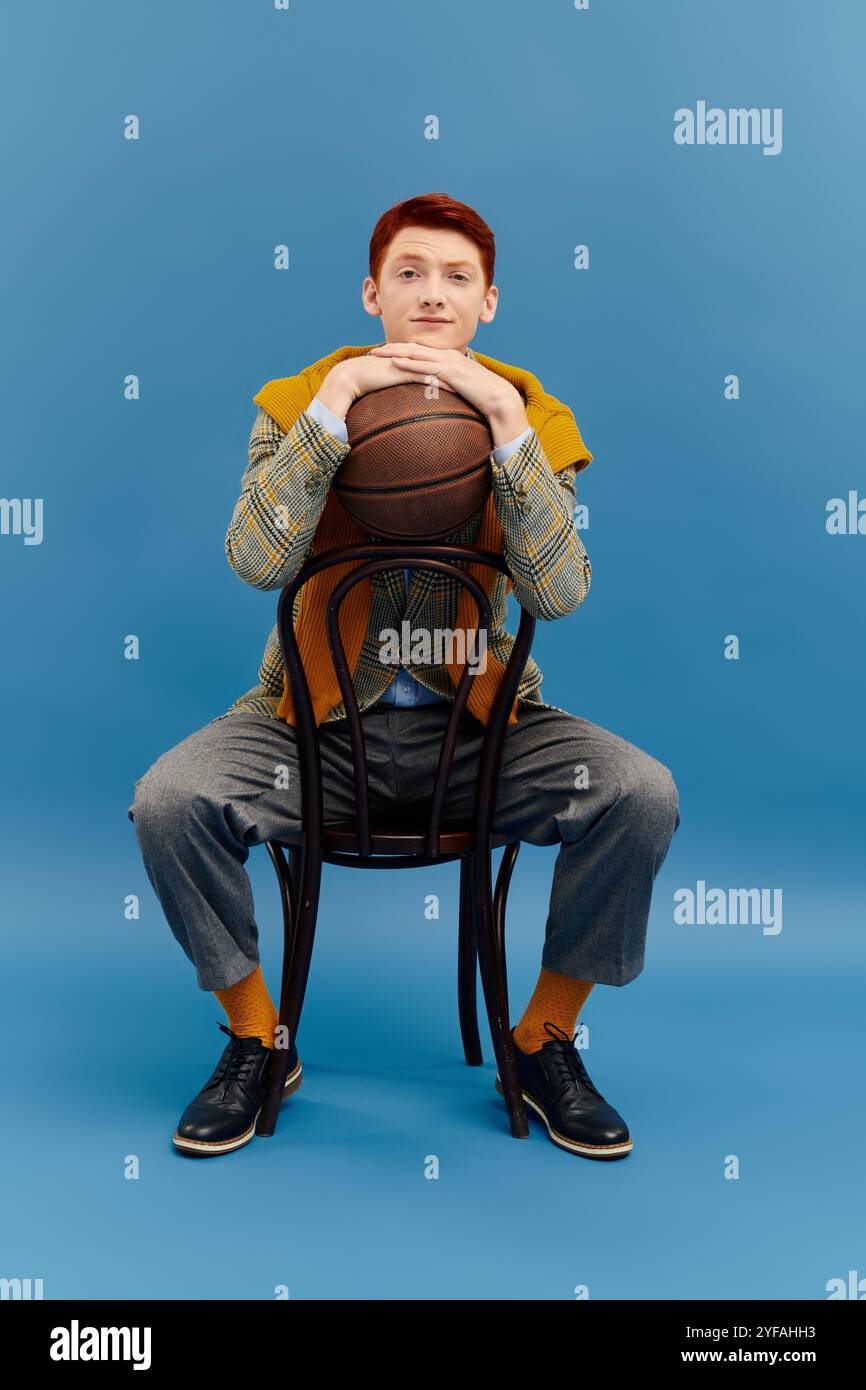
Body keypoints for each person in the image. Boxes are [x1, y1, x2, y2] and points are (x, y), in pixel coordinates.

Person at [127, 192, 680, 1160]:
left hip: (479, 738)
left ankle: (541, 1036)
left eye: (456, 277)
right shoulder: (298, 404)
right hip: (312, 734)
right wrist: (331, 419)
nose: (432, 295)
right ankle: (260, 1037)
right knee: (168, 800)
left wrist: (506, 430)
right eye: (411, 274)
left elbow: (558, 588)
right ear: (372, 291)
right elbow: (255, 561)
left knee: (638, 793)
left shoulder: (536, 418)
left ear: (489, 302)